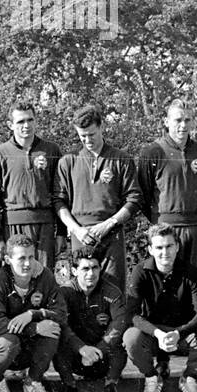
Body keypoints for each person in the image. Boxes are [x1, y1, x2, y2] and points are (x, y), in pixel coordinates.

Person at [124, 223, 197, 392]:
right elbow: (132, 314)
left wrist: (178, 333)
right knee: (131, 337)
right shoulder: (140, 271)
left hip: (182, 333)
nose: (164, 252)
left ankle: (189, 376)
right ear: (150, 249)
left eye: (169, 246)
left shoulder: (191, 272)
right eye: (159, 247)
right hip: (155, 334)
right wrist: (157, 333)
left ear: (177, 247)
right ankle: (151, 376)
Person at [54, 104, 141, 289]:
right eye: (82, 136)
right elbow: (58, 201)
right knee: (83, 290)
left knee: (114, 289)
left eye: (91, 134)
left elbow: (134, 199)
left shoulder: (121, 159)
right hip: (81, 235)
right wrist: (76, 230)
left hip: (112, 233)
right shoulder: (68, 161)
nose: (87, 140)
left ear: (101, 127)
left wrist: (108, 224)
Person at [137, 100, 197, 290]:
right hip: (167, 227)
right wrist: (160, 221)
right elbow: (143, 194)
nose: (183, 125)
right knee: (170, 280)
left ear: (193, 123)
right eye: (178, 120)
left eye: (187, 120)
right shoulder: (152, 152)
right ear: (166, 121)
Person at [0, 233, 64, 392]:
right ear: (7, 259)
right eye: (21, 258)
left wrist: (33, 315)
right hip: (4, 342)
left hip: (27, 344)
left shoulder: (45, 275)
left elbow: (61, 312)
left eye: (31, 257)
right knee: (8, 342)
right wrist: (34, 328)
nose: (28, 263)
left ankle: (33, 380)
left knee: (52, 329)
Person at [0, 103, 62, 270]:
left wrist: (61, 233)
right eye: (20, 121)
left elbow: (60, 194)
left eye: (30, 120)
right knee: (17, 275)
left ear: (36, 121)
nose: (26, 125)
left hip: (45, 226)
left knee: (44, 275)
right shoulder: (0, 153)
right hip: (13, 226)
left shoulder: (51, 149)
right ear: (10, 125)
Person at [56, 248, 128, 392]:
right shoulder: (64, 293)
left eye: (95, 267)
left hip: (102, 355)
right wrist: (81, 348)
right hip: (76, 354)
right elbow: (62, 324)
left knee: (121, 342)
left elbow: (119, 324)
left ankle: (111, 384)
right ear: (74, 271)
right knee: (56, 336)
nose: (91, 273)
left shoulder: (112, 292)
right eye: (85, 269)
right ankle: (69, 384)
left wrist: (99, 349)